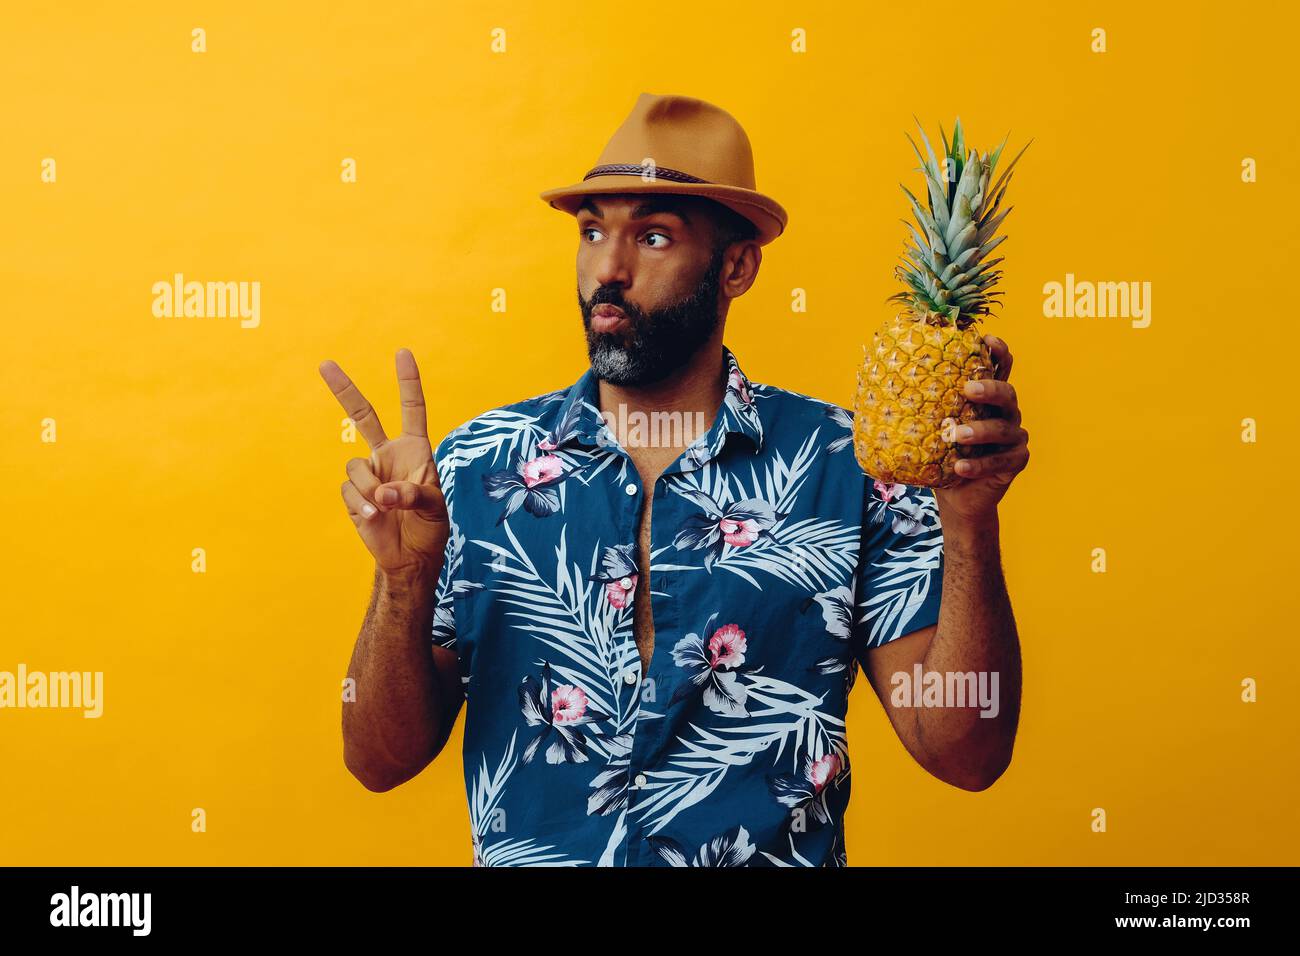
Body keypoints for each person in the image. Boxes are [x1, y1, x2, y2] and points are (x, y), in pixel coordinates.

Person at [318, 93, 1027, 867]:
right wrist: (405, 579)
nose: (608, 272)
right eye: (592, 233)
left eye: (652, 236)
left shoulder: (846, 464)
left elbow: (966, 753)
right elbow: (378, 762)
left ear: (737, 266)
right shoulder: (473, 467)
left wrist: (966, 521)